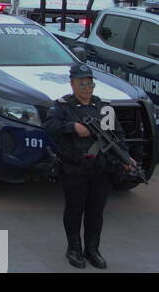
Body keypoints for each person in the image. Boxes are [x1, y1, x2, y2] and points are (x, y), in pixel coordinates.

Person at [44, 63, 136, 269]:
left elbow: (117, 136)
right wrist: (72, 127)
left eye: (90, 83)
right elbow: (49, 127)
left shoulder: (103, 107)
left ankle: (92, 249)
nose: (86, 87)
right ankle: (74, 248)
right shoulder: (63, 107)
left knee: (96, 211)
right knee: (75, 209)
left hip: (102, 169)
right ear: (72, 84)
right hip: (74, 168)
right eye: (81, 83)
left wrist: (126, 157)